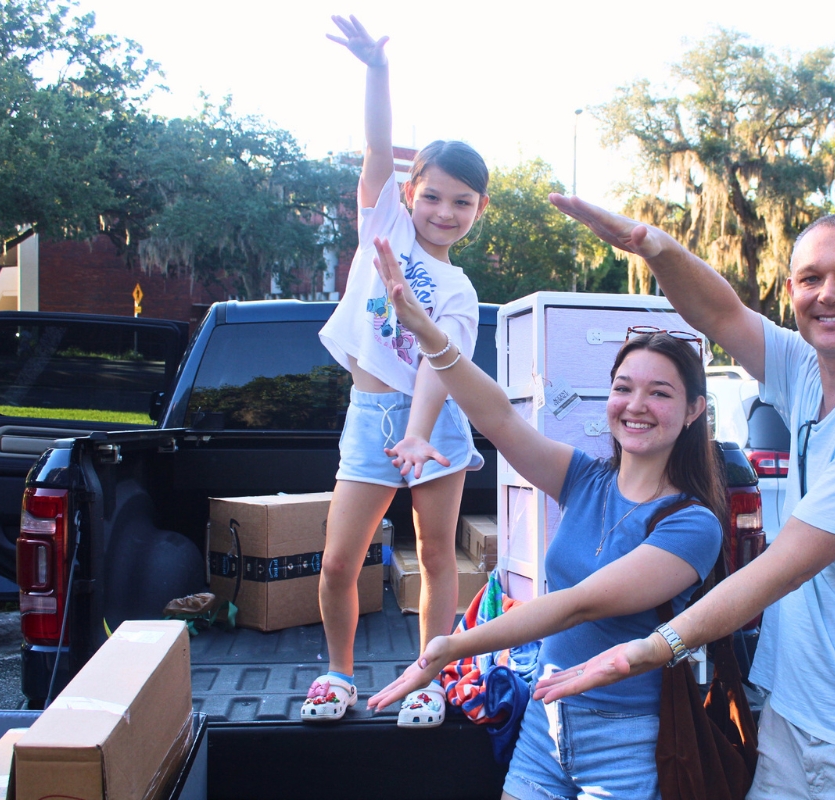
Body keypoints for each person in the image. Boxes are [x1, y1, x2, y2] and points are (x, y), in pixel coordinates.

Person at [536, 199, 835, 800]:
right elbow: (720, 312)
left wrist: (652, 650)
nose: (830, 293)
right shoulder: (810, 373)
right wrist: (654, 247)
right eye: (812, 279)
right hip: (796, 717)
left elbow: (782, 566)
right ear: (791, 289)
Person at [366, 238, 725, 800]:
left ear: (693, 411)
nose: (635, 405)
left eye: (660, 393)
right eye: (623, 388)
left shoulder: (692, 523)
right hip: (545, 719)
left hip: (627, 741)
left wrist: (452, 646)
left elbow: (577, 603)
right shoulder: (584, 477)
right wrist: (425, 329)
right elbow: (498, 418)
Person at [303, 15, 489, 726]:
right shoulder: (383, 224)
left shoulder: (459, 290)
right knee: (336, 563)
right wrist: (376, 72)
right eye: (434, 195)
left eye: (463, 202)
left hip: (433, 420)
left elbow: (442, 368)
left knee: (436, 556)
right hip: (368, 414)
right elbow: (378, 144)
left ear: (479, 210)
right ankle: (339, 674)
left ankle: (427, 679)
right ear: (411, 193)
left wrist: (419, 434)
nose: (446, 211)